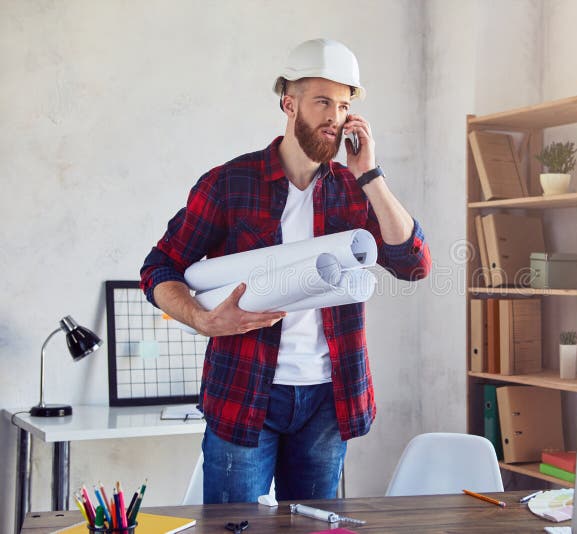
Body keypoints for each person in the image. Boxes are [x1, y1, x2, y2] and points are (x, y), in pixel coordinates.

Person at [139, 38, 431, 503]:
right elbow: (158, 267)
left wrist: (370, 175)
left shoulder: (355, 191)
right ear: (288, 103)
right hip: (246, 389)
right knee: (235, 529)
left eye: (342, 104)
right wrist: (202, 319)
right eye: (321, 102)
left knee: (312, 528)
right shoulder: (230, 183)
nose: (334, 116)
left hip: (328, 399)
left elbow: (413, 264)